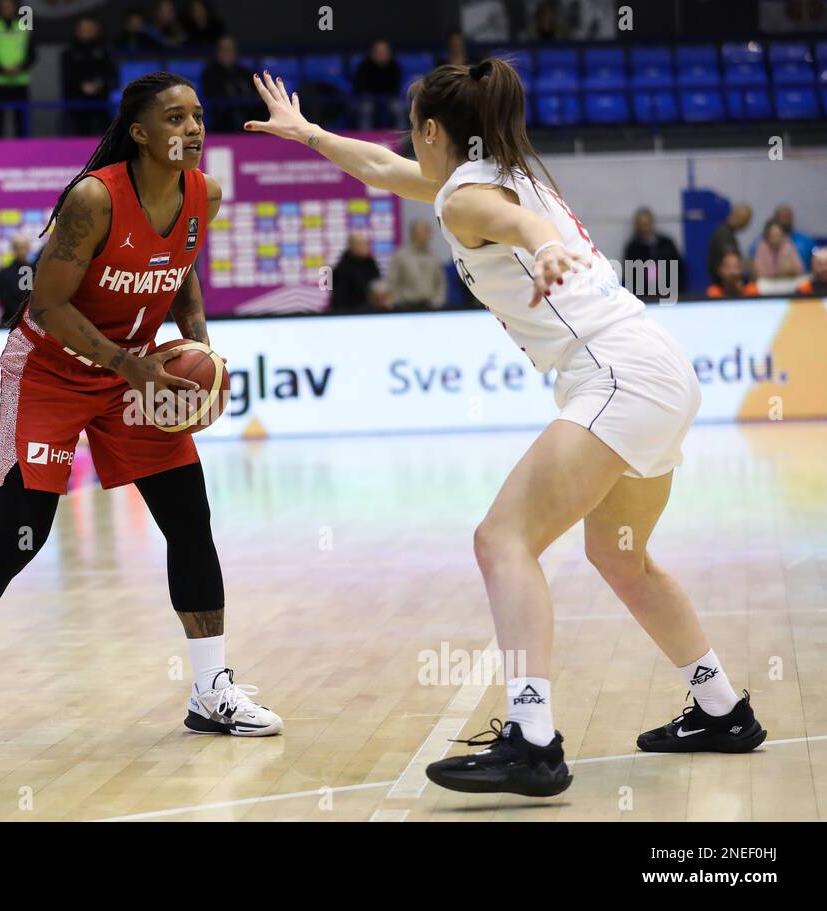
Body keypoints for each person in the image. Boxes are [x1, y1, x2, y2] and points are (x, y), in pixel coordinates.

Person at [246, 58, 766, 797]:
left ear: (432, 130)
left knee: (501, 540)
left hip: (615, 373)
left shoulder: (470, 197)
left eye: (411, 129)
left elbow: (516, 224)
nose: (407, 142)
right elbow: (384, 169)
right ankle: (721, 709)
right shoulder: (499, 173)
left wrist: (542, 245)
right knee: (621, 556)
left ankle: (533, 740)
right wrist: (309, 134)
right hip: (657, 368)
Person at [0, 71, 281, 748]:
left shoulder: (205, 195)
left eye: (197, 116)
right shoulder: (93, 200)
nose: (192, 128)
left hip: (130, 374)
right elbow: (47, 305)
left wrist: (199, 345)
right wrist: (125, 364)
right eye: (174, 118)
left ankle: (210, 688)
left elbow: (182, 268)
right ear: (140, 133)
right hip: (50, 371)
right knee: (23, 534)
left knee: (189, 520)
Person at [0, 0, 35, 139]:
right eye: (4, 7)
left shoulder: (25, 27)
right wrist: (1, 70)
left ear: (15, 8)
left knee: (21, 121)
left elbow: (32, 55)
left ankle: (23, 150)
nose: (7, 10)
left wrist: (20, 68)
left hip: (20, 81)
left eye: (9, 7)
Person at [60, 15, 115, 136]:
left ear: (96, 30)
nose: (85, 32)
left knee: (103, 135)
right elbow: (67, 76)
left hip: (100, 101)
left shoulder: (105, 50)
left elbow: (110, 73)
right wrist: (81, 85)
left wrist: (99, 83)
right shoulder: (69, 51)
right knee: (79, 134)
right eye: (82, 29)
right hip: (77, 102)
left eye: (89, 29)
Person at [622, 206, 685, 303]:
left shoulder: (666, 243)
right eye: (642, 225)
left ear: (652, 223)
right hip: (644, 298)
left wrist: (679, 292)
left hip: (669, 294)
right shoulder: (633, 248)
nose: (645, 228)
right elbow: (630, 277)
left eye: (647, 224)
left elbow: (679, 269)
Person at [200, 36, 255, 133]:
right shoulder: (210, 73)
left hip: (247, 111)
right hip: (223, 114)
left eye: (230, 49)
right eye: (223, 49)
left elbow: (254, 93)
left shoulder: (245, 72)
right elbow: (212, 96)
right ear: (217, 52)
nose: (227, 53)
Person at [390, 219, 447, 309]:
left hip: (430, 307)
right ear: (414, 233)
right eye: (425, 231)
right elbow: (392, 282)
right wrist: (399, 303)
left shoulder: (434, 258)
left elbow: (441, 283)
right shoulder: (401, 256)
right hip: (406, 307)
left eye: (429, 231)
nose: (429, 235)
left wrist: (437, 302)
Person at [353, 39, 402, 130]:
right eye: (379, 52)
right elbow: (360, 88)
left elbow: (395, 88)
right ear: (372, 53)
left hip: (389, 98)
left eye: (384, 52)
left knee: (399, 108)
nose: (382, 54)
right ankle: (365, 136)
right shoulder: (364, 66)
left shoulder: (394, 66)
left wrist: (386, 96)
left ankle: (400, 137)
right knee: (366, 108)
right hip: (367, 98)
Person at [329, 232, 381, 312]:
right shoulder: (342, 269)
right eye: (360, 245)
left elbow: (377, 285)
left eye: (365, 244)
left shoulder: (371, 263)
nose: (364, 247)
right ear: (351, 247)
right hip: (351, 312)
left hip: (372, 311)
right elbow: (339, 299)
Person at [706, 202, 750, 284]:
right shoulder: (725, 235)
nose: (746, 225)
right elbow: (729, 262)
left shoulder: (724, 231)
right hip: (724, 283)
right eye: (745, 221)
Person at [0, 233, 34, 324]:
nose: (22, 251)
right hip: (12, 323)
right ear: (13, 249)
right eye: (19, 247)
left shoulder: (36, 272)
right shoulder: (4, 274)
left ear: (29, 248)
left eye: (25, 247)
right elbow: (7, 303)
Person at [772, 204, 815, 270]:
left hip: (804, 275)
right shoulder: (765, 240)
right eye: (784, 217)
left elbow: (816, 257)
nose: (787, 220)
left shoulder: (805, 241)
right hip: (772, 276)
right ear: (776, 218)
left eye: (789, 217)